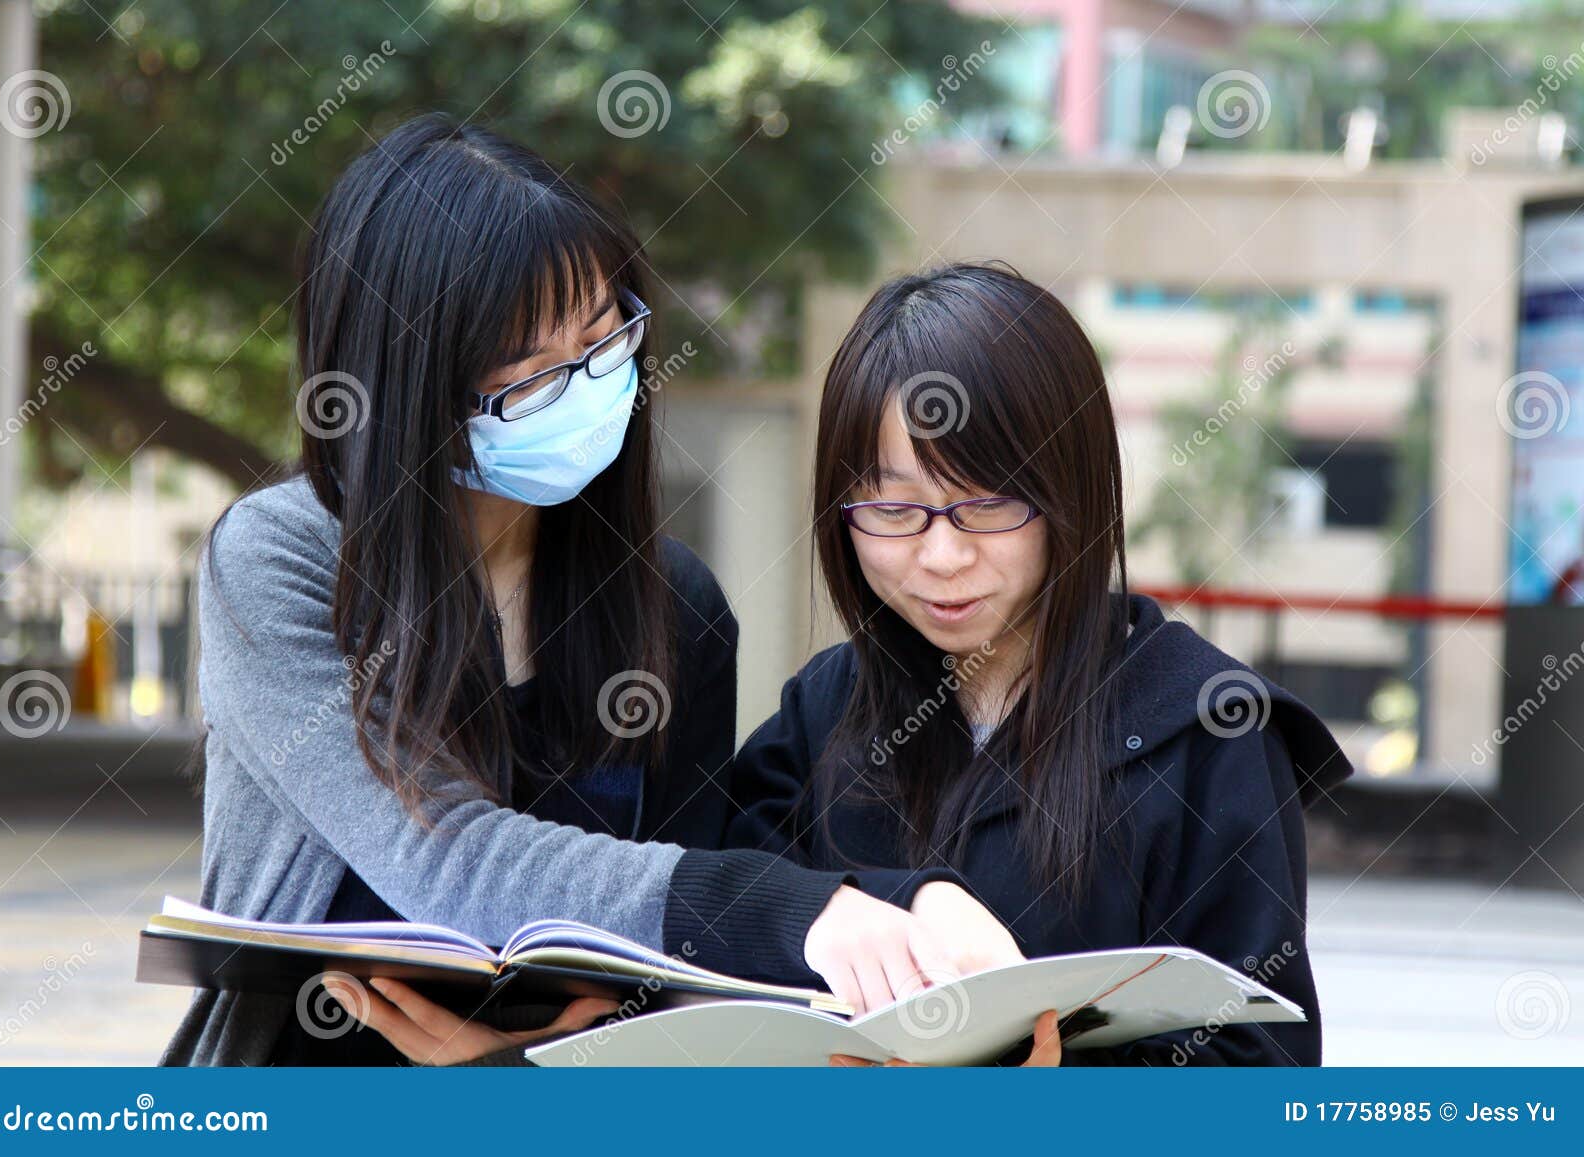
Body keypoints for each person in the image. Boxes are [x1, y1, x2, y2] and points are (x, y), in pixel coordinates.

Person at [160, 118, 1018, 1067]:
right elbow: (444, 855)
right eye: (528, 374)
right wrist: (794, 912)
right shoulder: (286, 561)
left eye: (602, 338)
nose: (580, 387)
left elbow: (670, 982)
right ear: (407, 390)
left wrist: (521, 1067)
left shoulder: (675, 607)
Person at [353, 262, 1354, 1067]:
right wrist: (514, 1067)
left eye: (989, 503)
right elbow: (694, 995)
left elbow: (1259, 1071)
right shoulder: (822, 715)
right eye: (891, 508)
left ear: (1076, 490)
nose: (941, 554)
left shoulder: (1207, 729)